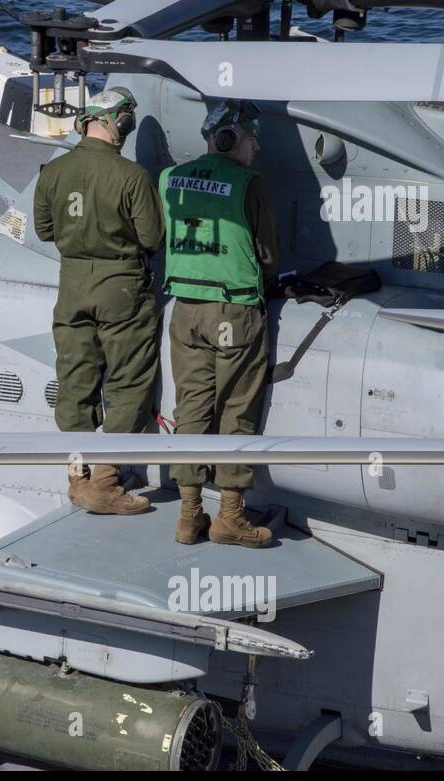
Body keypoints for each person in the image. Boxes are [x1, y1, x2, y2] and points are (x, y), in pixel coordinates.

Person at [34, 86, 164, 515]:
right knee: (128, 382)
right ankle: (106, 482)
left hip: (71, 285)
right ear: (119, 123)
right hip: (121, 288)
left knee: (74, 381)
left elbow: (44, 230)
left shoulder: (53, 171)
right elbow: (152, 238)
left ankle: (77, 478)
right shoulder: (132, 176)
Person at [160, 100, 280, 547]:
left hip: (185, 309)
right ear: (229, 138)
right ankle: (230, 517)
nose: (256, 149)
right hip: (235, 310)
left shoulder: (169, 178)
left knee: (190, 409)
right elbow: (267, 253)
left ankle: (189, 517)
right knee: (236, 412)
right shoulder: (248, 183)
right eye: (252, 140)